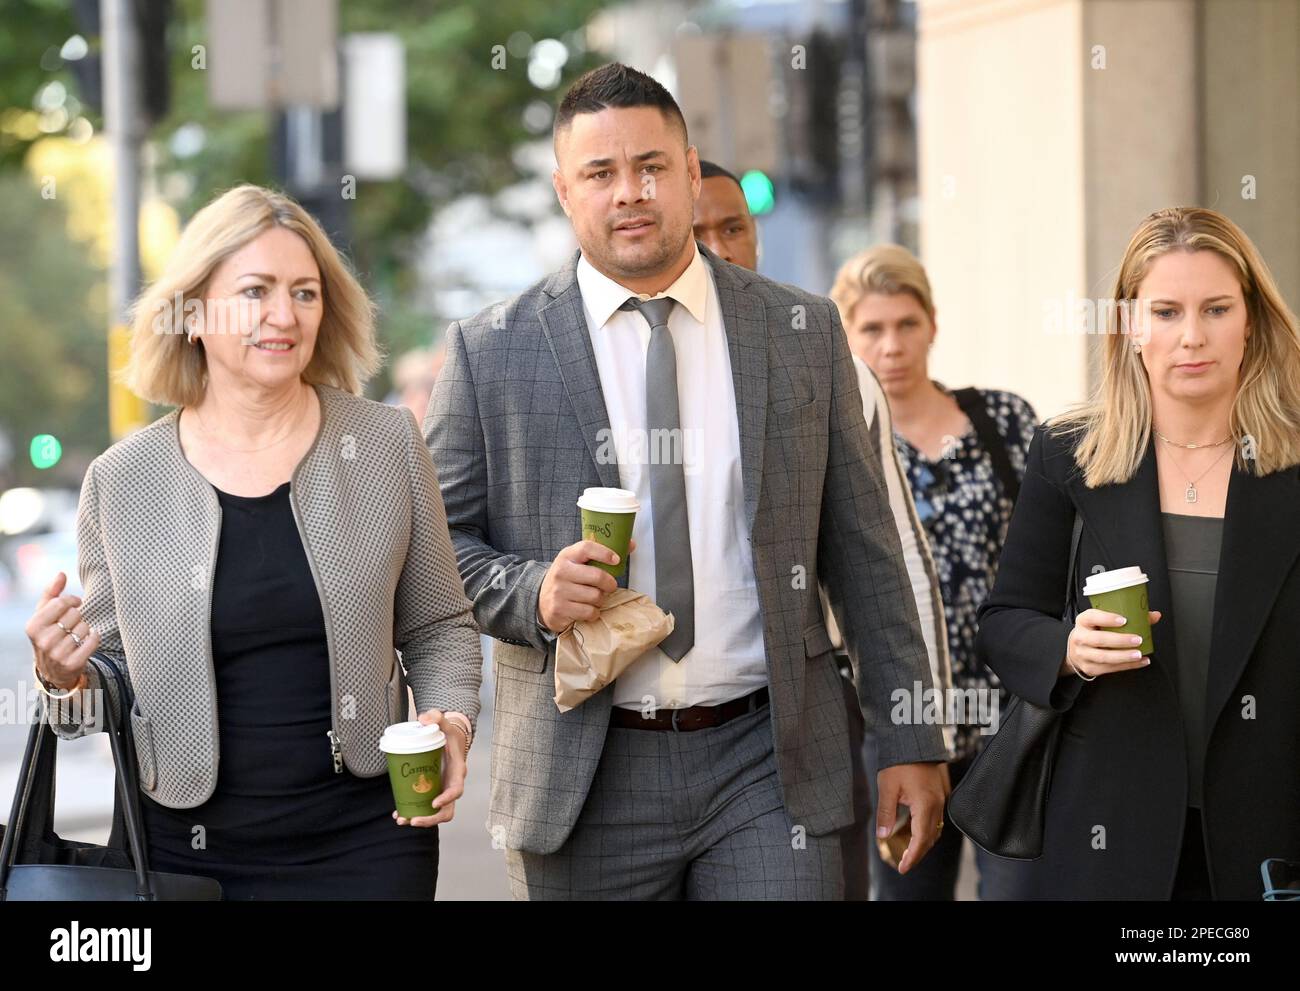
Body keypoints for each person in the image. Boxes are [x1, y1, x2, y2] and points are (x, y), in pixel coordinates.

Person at [425, 62, 948, 901]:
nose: (629, 191)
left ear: (690, 167)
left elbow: (866, 551)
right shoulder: (490, 352)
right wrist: (531, 593)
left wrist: (910, 735)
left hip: (768, 757)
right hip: (586, 771)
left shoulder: (799, 329)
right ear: (566, 191)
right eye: (601, 173)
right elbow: (438, 548)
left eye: (652, 166)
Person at [27, 184, 483, 900]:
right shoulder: (122, 480)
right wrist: (63, 677)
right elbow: (103, 691)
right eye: (256, 290)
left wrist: (451, 720)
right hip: (182, 855)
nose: (284, 314)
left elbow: (440, 625)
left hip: (367, 841)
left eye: (305, 292)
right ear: (194, 311)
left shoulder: (386, 444)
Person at [977, 206, 1300, 899]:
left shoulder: (1293, 468)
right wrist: (1069, 648)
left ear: (1250, 321)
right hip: (1109, 826)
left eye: (1216, 308)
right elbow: (1004, 622)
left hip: (1271, 836)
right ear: (1129, 326)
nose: (1192, 336)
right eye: (1165, 311)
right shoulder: (1067, 455)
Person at [694, 165, 952, 900]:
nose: (721, 248)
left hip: (818, 699)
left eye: (734, 227)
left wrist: (916, 733)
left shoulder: (823, 354)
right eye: (700, 232)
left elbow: (893, 554)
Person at [831, 244, 1037, 900]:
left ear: (932, 324)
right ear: (845, 334)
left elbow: (1051, 548)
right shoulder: (840, 445)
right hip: (903, 721)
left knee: (1021, 892)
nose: (891, 345)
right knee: (909, 892)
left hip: (1011, 719)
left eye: (906, 324)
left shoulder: (1002, 420)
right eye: (872, 328)